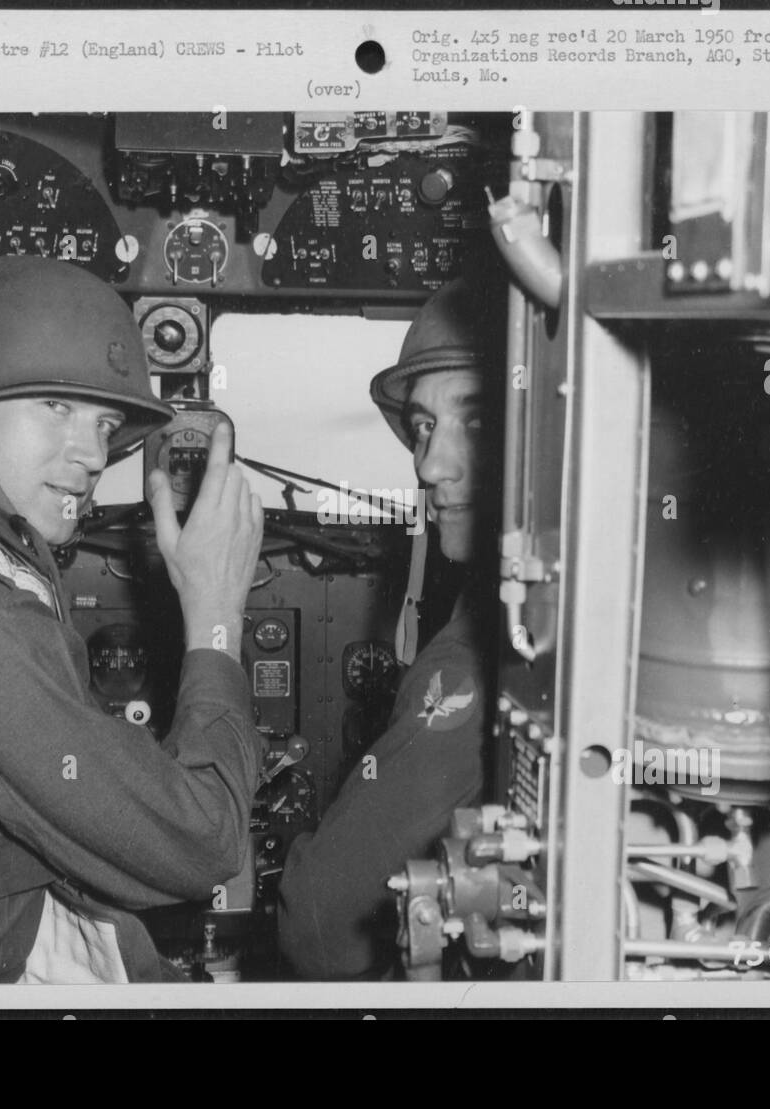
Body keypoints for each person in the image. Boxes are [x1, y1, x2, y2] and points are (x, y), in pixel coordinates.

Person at [0, 256, 265, 983]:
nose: (93, 454)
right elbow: (205, 840)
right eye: (56, 407)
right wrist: (216, 617)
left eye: (105, 423)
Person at [276, 278, 503, 979]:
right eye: (424, 426)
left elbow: (315, 922)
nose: (429, 465)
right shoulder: (484, 618)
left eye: (477, 419)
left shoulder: (477, 657)